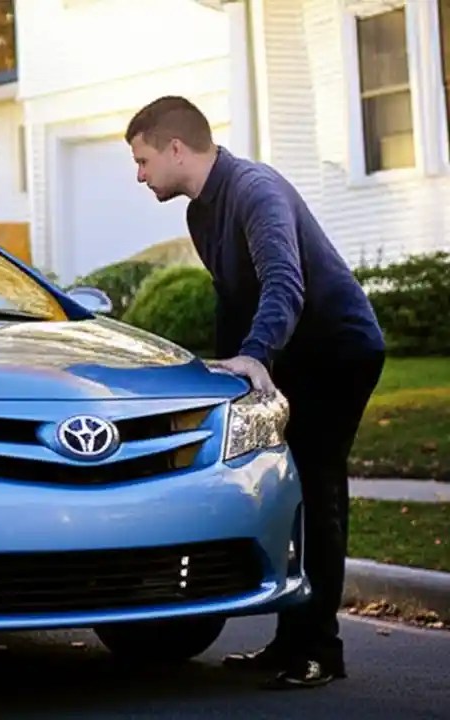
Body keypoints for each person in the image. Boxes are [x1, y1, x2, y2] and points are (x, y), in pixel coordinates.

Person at [122, 96, 386, 690]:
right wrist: (219, 375)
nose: (139, 175)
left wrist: (258, 353)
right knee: (282, 492)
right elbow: (233, 301)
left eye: (142, 161)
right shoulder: (199, 215)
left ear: (175, 149)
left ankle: (320, 648)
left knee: (317, 491)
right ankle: (289, 642)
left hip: (337, 353)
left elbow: (283, 283)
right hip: (290, 357)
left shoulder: (254, 190)